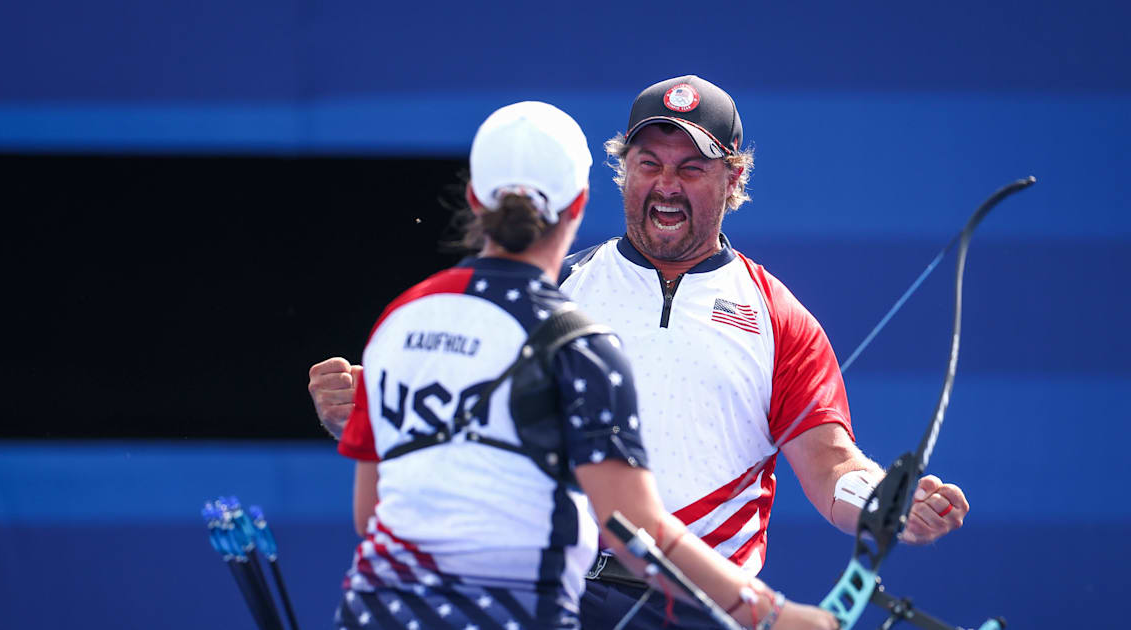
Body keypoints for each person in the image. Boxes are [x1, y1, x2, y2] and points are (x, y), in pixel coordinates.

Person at [313, 77, 969, 629]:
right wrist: (365, 411)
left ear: (734, 176)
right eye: (648, 165)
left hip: (698, 606)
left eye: (692, 167)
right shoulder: (554, 297)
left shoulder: (779, 316)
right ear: (616, 173)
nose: (666, 185)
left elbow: (831, 469)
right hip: (560, 602)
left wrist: (887, 502)